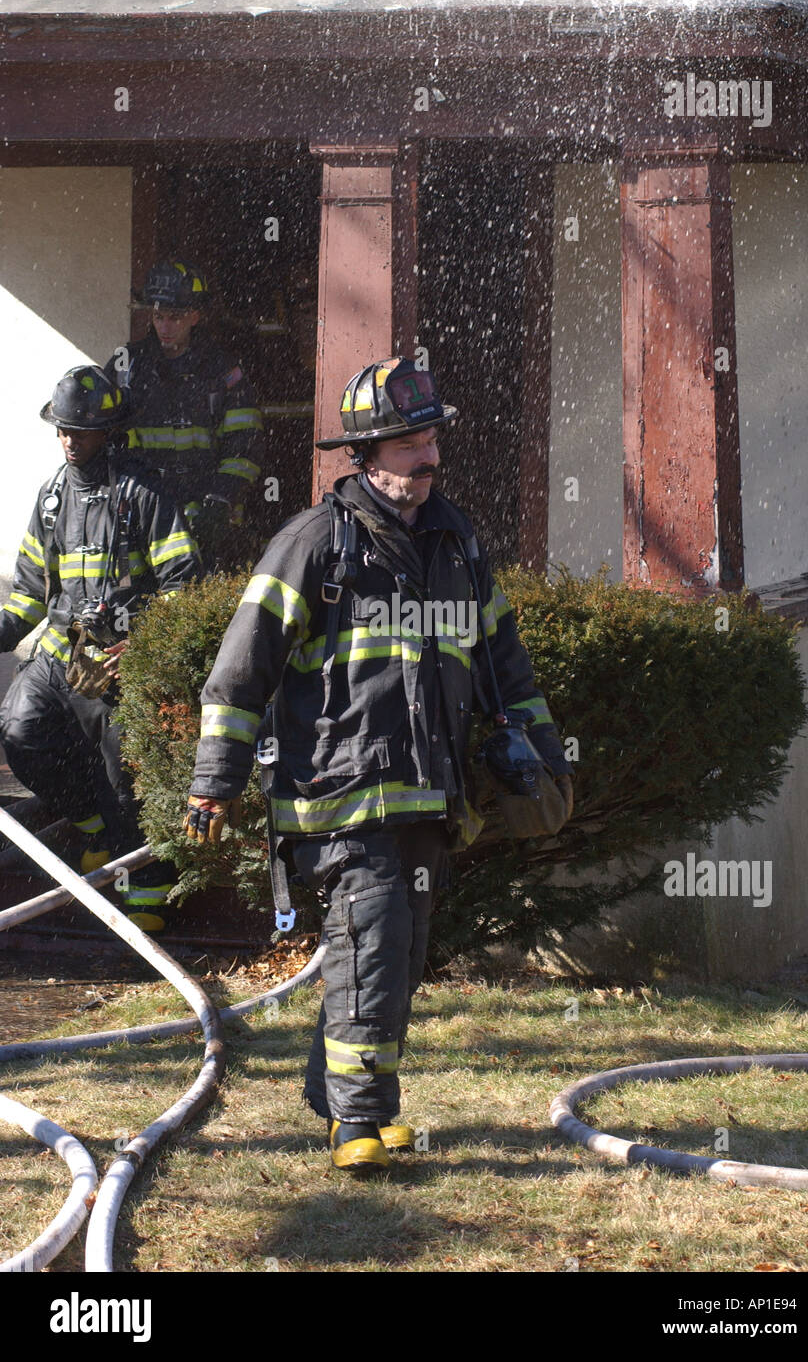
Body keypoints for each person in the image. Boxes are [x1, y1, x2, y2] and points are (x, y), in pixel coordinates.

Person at [183, 358, 573, 1170]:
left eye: (430, 437)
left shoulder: (456, 541)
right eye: (407, 442)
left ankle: (336, 1095)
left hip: (430, 794)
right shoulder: (313, 543)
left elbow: (506, 667)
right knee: (374, 933)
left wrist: (535, 753)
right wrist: (212, 783)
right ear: (364, 453)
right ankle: (359, 1122)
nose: (427, 456)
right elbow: (239, 672)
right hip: (339, 791)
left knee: (396, 951)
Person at [0, 365, 203, 931]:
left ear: (109, 431)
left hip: (125, 661)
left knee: (127, 775)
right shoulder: (50, 500)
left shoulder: (144, 491)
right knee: (21, 731)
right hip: (63, 657)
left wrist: (139, 641)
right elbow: (26, 599)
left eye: (80, 432)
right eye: (62, 430)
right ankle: (89, 825)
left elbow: (184, 583)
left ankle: (147, 893)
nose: (68, 441)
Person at [103, 259, 263, 568]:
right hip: (139, 514)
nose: (164, 327)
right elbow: (105, 439)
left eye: (175, 318)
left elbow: (245, 445)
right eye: (159, 316)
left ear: (195, 316)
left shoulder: (222, 370)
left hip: (205, 517)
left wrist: (219, 498)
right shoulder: (127, 366)